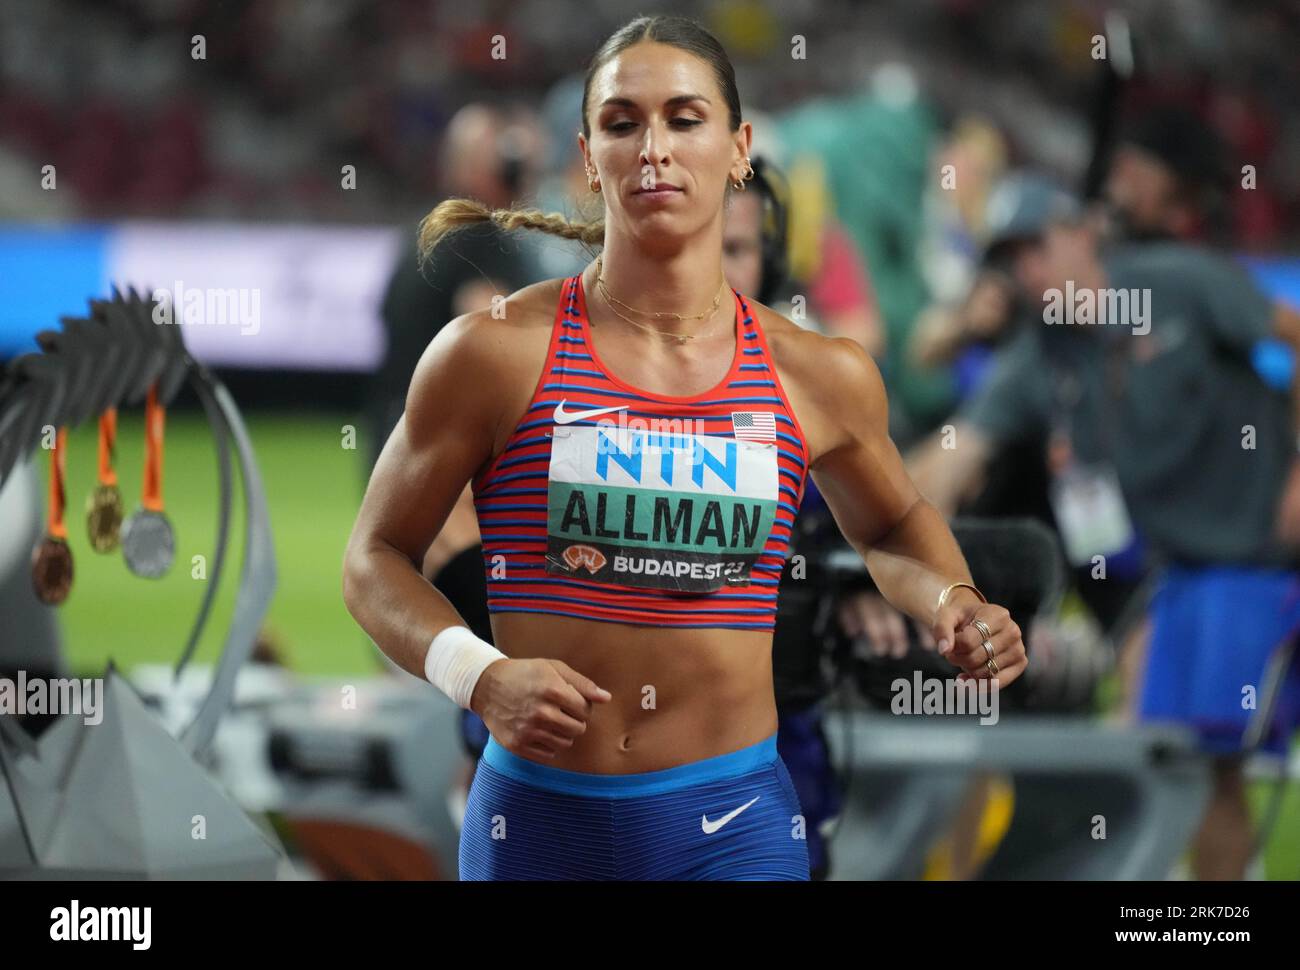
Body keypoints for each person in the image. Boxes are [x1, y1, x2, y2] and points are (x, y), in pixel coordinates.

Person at [343, 14, 1026, 882]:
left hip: (736, 821)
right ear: (588, 158)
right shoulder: (492, 352)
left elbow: (892, 523)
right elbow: (374, 557)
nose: (653, 147)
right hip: (538, 821)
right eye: (622, 123)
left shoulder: (818, 373)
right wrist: (477, 674)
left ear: (738, 147)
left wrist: (952, 597)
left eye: (684, 118)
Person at [911, 178, 1300, 880]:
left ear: (1082, 233)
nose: (1029, 270)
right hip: (1173, 575)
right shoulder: (1041, 355)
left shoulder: (1177, 282)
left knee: (1213, 760)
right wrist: (855, 511)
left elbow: (1295, 334)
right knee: (1171, 761)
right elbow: (956, 450)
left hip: (1257, 562)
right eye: (1014, 256)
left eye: (1038, 246)